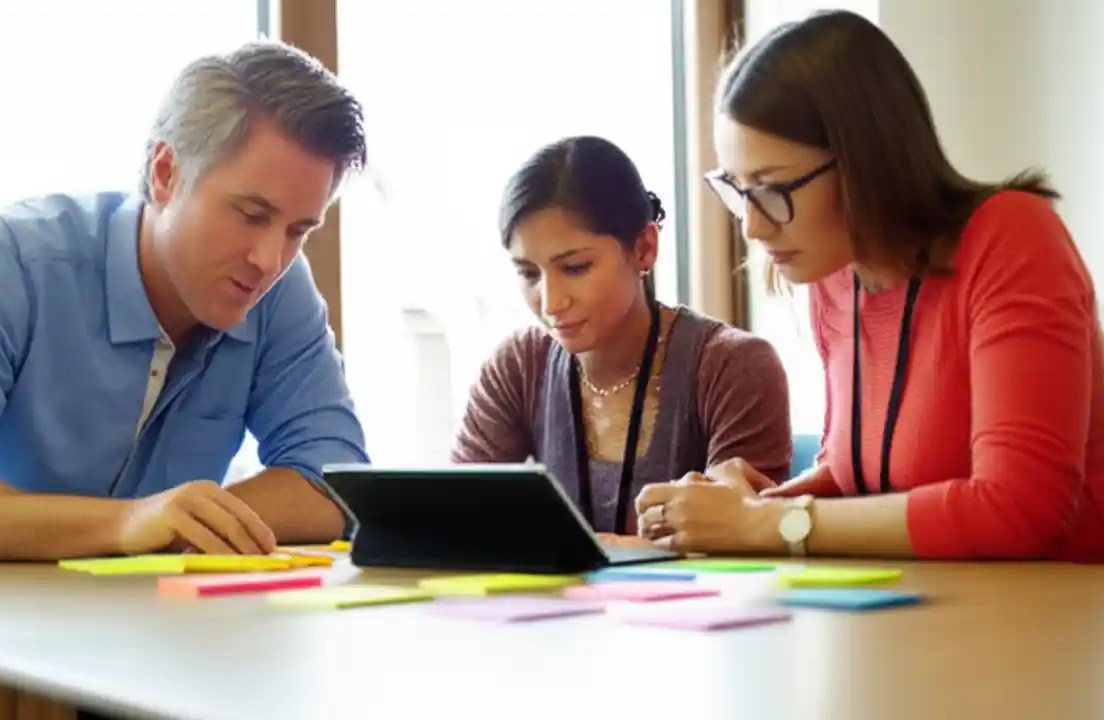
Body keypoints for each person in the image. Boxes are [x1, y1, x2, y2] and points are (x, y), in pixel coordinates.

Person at [0, 40, 369, 717]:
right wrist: (129, 522)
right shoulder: (7, 263)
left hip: (133, 647)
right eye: (252, 215)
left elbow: (334, 480)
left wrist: (186, 522)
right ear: (166, 172)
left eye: (299, 231)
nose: (269, 258)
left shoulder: (276, 294)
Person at [637, 10, 1104, 562]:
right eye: (738, 189)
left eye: (771, 188)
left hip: (1055, 617)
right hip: (929, 612)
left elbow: (1020, 507)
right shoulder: (836, 276)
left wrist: (767, 522)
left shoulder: (1012, 238)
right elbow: (861, 472)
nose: (754, 226)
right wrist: (745, 507)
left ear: (864, 161)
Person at [452, 136, 792, 540]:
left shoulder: (732, 366)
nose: (550, 302)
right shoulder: (519, 365)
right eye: (528, 274)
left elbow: (743, 539)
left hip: (694, 604)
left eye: (576, 267)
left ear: (645, 248)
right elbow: (457, 517)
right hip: (553, 605)